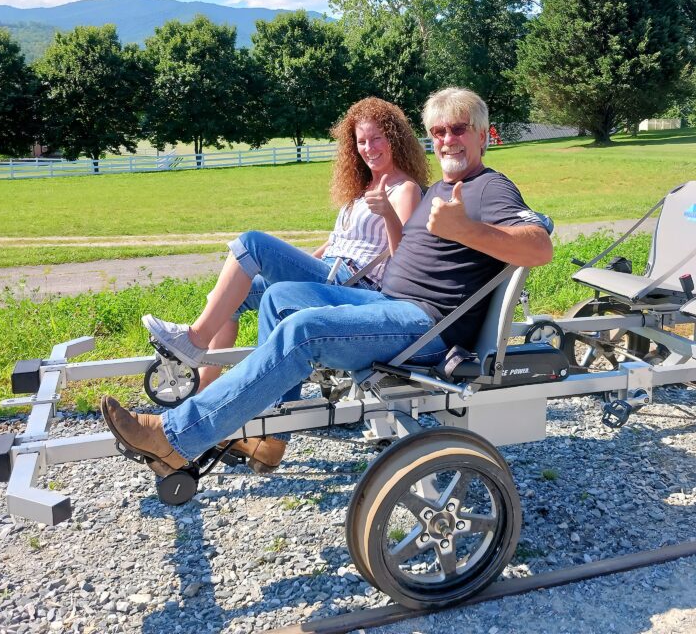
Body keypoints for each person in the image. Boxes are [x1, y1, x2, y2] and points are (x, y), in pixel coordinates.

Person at [101, 87, 554, 476]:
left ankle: (176, 437)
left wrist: (467, 230)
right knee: (278, 298)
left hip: (426, 326)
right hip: (389, 304)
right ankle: (271, 435)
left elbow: (539, 246)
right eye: (438, 131)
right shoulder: (440, 188)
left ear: (482, 135)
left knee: (305, 331)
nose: (447, 140)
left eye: (458, 129)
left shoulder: (490, 187)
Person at [144, 96, 430, 392]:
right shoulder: (362, 187)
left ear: (394, 138)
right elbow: (336, 242)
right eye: (361, 141)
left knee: (252, 244)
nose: (369, 148)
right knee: (227, 295)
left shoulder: (405, 189)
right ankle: (203, 388)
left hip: (354, 285)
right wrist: (300, 264)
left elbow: (405, 260)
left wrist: (388, 214)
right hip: (328, 271)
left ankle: (194, 340)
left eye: (376, 138)